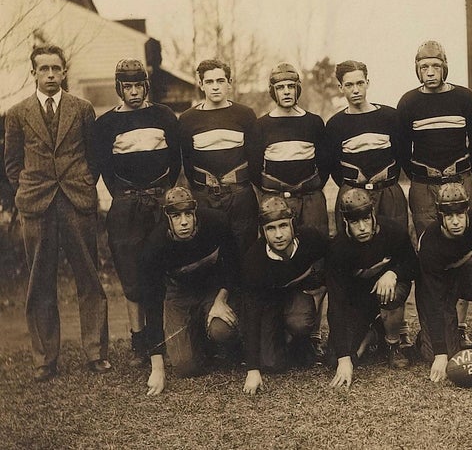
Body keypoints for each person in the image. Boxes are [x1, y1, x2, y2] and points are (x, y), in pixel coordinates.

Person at [4, 44, 110, 381]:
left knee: (89, 279)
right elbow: (11, 163)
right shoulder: (18, 113)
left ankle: (95, 353)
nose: (50, 74)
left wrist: (81, 183)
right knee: (40, 283)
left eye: (56, 68)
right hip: (37, 204)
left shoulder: (82, 109)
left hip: (76, 201)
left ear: (64, 72)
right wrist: (28, 188)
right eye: (43, 68)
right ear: (33, 72)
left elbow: (95, 158)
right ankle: (44, 360)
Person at [93, 58, 181, 367]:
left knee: (164, 268)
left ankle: (167, 338)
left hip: (160, 200)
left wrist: (163, 192)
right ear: (119, 88)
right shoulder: (105, 124)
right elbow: (104, 168)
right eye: (127, 86)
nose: (133, 92)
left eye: (138, 86)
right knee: (130, 272)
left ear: (146, 86)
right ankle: (139, 340)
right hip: (126, 204)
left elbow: (176, 160)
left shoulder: (164, 115)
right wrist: (126, 196)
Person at [397, 40, 472, 347]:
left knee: (463, 245)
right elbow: (401, 148)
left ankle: (459, 324)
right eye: (424, 67)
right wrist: (421, 175)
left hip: (461, 179)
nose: (430, 72)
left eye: (435, 66)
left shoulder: (465, 98)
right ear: (417, 70)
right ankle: (431, 328)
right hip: (424, 184)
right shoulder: (408, 102)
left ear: (445, 66)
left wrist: (466, 176)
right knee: (429, 250)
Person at [252, 62, 332, 360]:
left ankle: (312, 333)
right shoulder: (261, 125)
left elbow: (324, 164)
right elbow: (254, 168)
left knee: (317, 264)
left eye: (290, 87)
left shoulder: (313, 122)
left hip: (310, 198)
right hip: (276, 201)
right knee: (277, 257)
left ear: (298, 88)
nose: (286, 92)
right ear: (272, 91)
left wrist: (306, 189)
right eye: (280, 88)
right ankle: (281, 330)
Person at [141, 187, 241, 395]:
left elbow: (234, 266)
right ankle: (198, 339)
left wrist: (221, 300)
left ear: (196, 213)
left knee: (222, 330)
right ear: (167, 218)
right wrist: (158, 369)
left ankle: (220, 342)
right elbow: (151, 303)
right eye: (176, 216)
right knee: (185, 367)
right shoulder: (155, 245)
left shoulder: (217, 222)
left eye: (188, 214)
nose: (184, 222)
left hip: (212, 289)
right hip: (179, 293)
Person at [414, 183, 472, 383]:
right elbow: (433, 301)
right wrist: (440, 355)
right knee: (441, 355)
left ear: (467, 211)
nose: (456, 221)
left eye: (459, 215)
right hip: (437, 285)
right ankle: (424, 340)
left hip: (465, 269)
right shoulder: (430, 243)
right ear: (441, 216)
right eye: (449, 217)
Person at [327, 188, 418, 389]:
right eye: (354, 222)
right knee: (336, 358)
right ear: (345, 222)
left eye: (366, 219)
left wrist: (393, 273)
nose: (362, 227)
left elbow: (414, 266)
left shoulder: (393, 231)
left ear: (373, 215)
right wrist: (343, 359)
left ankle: (393, 345)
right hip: (359, 302)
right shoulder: (337, 248)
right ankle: (374, 333)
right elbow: (336, 303)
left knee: (390, 294)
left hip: (388, 292)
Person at [240, 196, 328, 394]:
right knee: (271, 363)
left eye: (283, 226)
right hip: (268, 303)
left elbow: (334, 261)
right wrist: (253, 369)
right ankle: (282, 338)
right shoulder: (254, 259)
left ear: (293, 225)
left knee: (300, 322)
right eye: (271, 228)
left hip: (297, 298)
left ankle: (303, 340)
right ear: (263, 231)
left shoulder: (310, 238)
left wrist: (321, 287)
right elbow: (252, 312)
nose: (278, 234)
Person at [178, 59, 259, 255]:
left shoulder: (245, 115)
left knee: (245, 249)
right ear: (201, 84)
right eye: (209, 82)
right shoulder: (188, 119)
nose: (215, 87)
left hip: (241, 197)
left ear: (229, 83)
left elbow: (254, 157)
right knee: (209, 250)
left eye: (220, 81)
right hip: (205, 196)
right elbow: (187, 162)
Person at [325, 60, 408, 235]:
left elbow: (402, 154)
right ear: (340, 87)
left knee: (396, 240)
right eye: (349, 85)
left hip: (388, 194)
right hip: (352, 195)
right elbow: (334, 167)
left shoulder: (390, 116)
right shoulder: (335, 124)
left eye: (360, 83)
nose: (355, 90)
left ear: (367, 83)